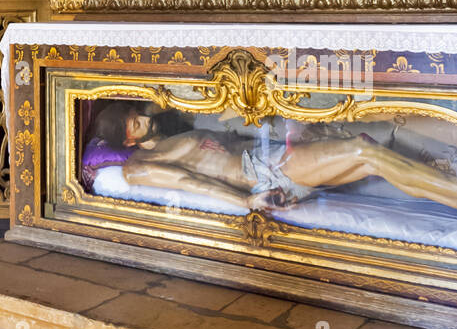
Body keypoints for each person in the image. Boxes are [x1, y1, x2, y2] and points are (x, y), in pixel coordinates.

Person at [91, 102, 457, 214]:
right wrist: (247, 201)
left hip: (269, 155)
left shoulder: (169, 129)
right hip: (264, 173)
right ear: (126, 138)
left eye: (132, 113)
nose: (137, 119)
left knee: (373, 158)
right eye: (130, 124)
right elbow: (189, 183)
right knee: (365, 151)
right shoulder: (137, 167)